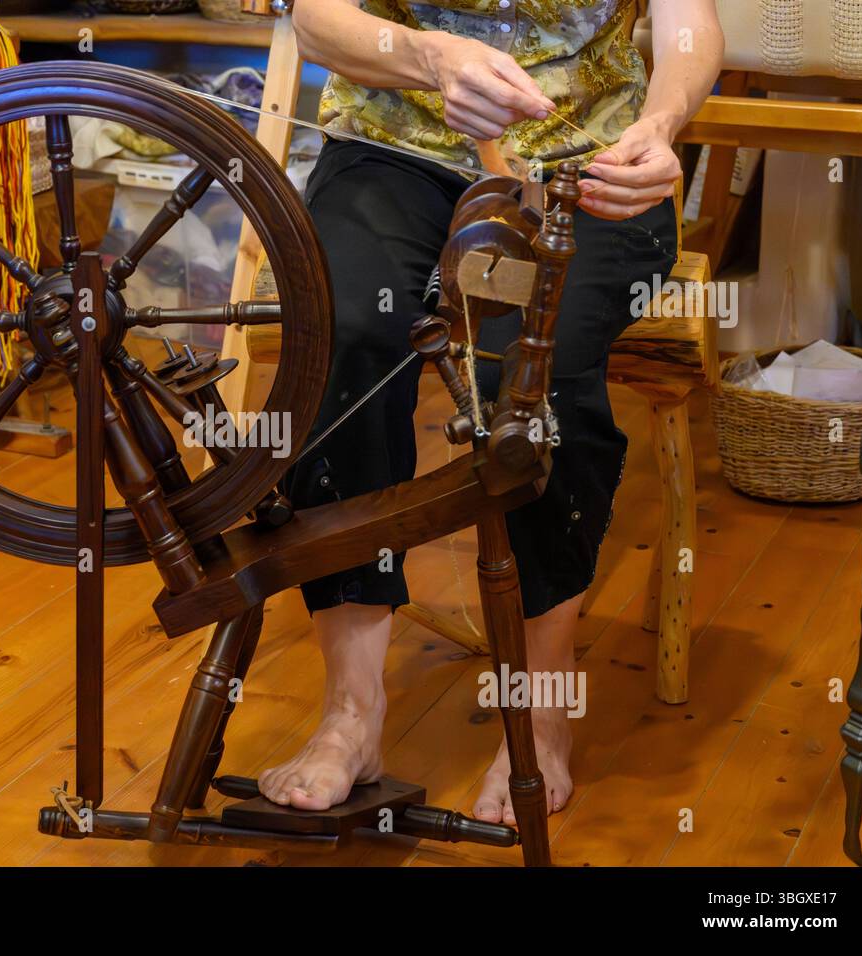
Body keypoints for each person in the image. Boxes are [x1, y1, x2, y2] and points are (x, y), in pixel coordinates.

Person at [257, 0, 724, 825]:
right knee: (346, 333)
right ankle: (350, 716)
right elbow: (319, 17)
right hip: (392, 150)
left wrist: (664, 120)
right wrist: (426, 57)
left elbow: (690, 23)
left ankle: (541, 714)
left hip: (593, 166)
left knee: (535, 373)